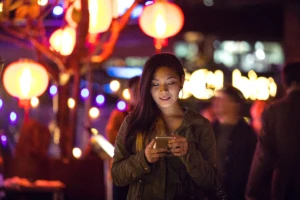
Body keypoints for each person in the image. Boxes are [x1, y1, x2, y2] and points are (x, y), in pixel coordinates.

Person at [111, 53, 218, 200]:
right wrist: (144, 158)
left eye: (170, 82)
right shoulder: (133, 122)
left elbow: (212, 183)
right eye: (155, 84)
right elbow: (116, 175)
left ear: (181, 81)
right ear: (147, 86)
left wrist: (189, 154)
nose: (163, 90)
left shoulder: (199, 125)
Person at [246, 62, 300, 200]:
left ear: (287, 82)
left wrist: (252, 190)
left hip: (287, 185)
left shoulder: (275, 110)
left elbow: (264, 154)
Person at [212, 85, 257, 200]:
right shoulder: (209, 130)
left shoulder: (247, 134)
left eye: (221, 99)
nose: (216, 102)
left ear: (235, 104)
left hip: (235, 193)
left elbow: (252, 167)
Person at [106, 76, 140, 200]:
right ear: (130, 92)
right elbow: (112, 139)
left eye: (141, 89)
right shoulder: (119, 116)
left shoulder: (153, 117)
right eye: (135, 90)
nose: (138, 93)